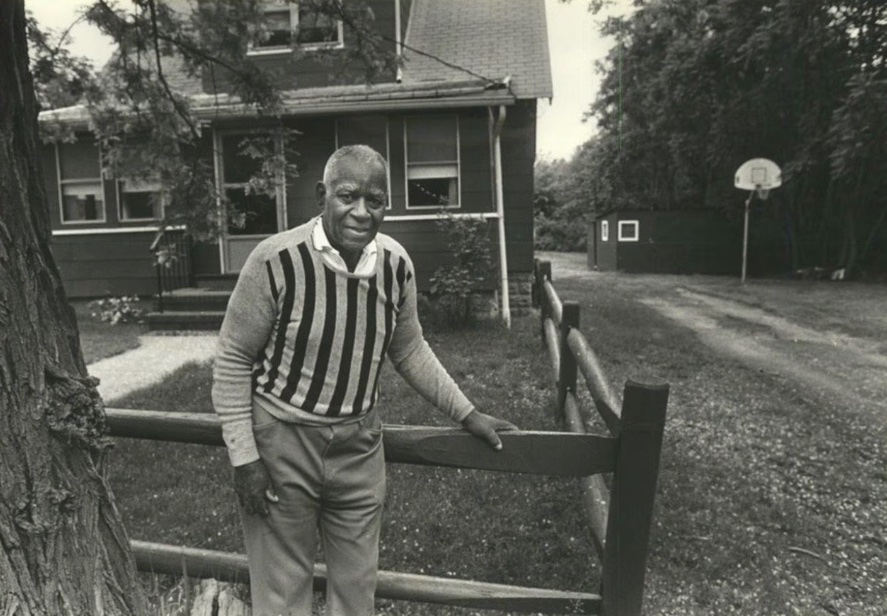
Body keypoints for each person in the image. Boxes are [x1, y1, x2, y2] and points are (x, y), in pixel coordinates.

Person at [212, 144, 517, 616]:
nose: (361, 211)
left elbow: (409, 348)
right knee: (280, 593)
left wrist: (468, 412)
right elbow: (232, 358)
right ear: (322, 196)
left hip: (359, 448)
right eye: (348, 196)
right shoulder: (274, 260)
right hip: (281, 442)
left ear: (385, 205)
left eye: (374, 200)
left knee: (357, 592)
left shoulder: (395, 265)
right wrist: (244, 457)